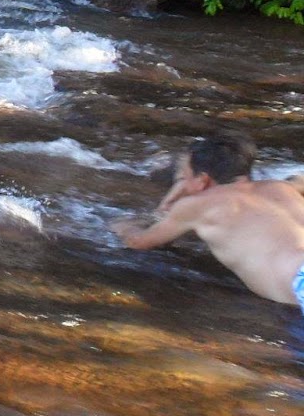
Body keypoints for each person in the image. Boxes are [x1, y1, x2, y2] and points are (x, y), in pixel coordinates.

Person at [111, 133, 304, 312]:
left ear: (202, 179)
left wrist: (123, 225)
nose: (182, 184)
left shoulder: (198, 205)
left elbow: (139, 242)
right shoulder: (282, 187)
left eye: (184, 177)